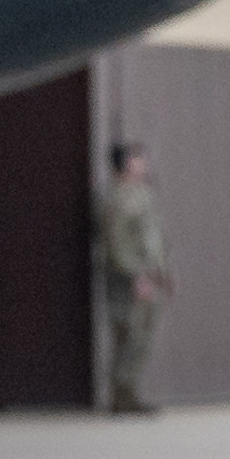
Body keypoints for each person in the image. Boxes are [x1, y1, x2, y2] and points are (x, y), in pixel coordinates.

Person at [95, 137, 171, 414]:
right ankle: (121, 397)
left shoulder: (141, 193)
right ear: (126, 163)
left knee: (142, 336)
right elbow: (117, 243)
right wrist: (136, 276)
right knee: (128, 335)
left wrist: (161, 273)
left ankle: (130, 393)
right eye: (137, 158)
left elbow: (150, 238)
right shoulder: (116, 196)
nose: (143, 163)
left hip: (147, 276)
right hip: (128, 279)